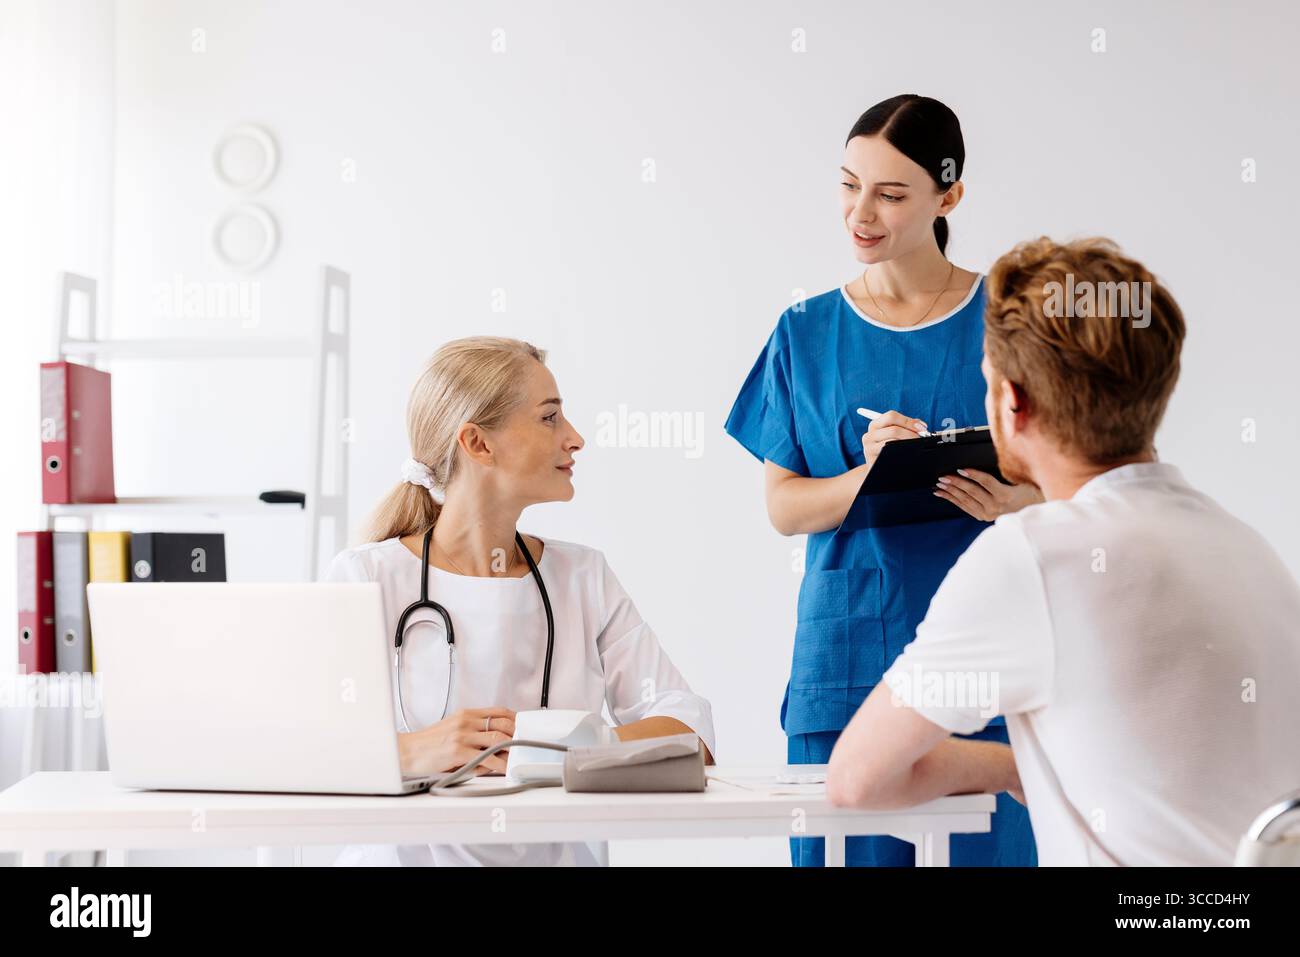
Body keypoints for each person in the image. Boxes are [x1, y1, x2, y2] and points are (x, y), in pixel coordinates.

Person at [827, 237, 1300, 866]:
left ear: (1011, 403)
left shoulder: (1032, 557)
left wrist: (1005, 766)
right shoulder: (1245, 546)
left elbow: (857, 780)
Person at [724, 94, 1038, 866]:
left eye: (892, 194)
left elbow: (1083, 482)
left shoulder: (1012, 317)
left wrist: (1018, 500)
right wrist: (868, 475)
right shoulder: (805, 331)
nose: (861, 212)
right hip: (846, 671)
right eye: (849, 185)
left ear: (949, 195)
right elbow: (784, 505)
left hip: (989, 663)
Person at [325, 336, 716, 866]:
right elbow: (307, 752)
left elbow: (690, 730)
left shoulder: (582, 576)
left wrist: (552, 745)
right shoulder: (365, 578)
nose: (575, 439)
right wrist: (417, 750)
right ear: (478, 444)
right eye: (550, 418)